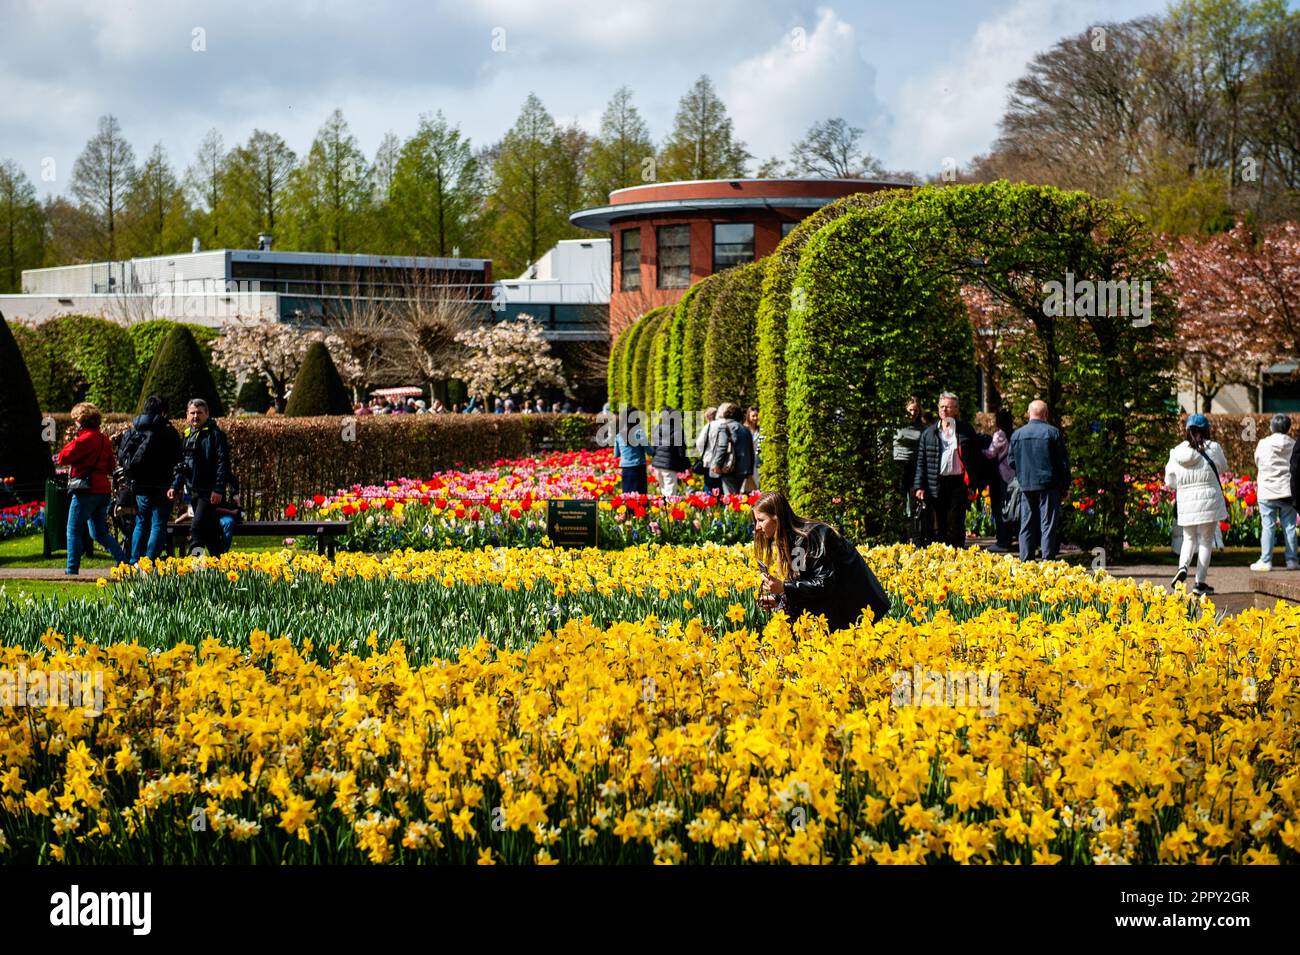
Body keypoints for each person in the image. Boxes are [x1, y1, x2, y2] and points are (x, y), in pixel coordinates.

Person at [753, 491, 891, 631]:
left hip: (853, 611)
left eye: (761, 520)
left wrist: (784, 588)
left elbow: (825, 583)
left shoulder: (811, 536)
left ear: (777, 518)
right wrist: (780, 598)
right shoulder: (793, 539)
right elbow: (805, 580)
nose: (757, 527)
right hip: (838, 611)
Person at [56, 402, 128, 575]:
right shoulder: (103, 438)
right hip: (103, 490)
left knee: (73, 531)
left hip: (85, 490)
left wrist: (75, 438)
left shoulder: (84, 439)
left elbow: (62, 457)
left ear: (81, 420)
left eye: (75, 420)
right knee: (99, 533)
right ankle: (123, 562)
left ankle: (72, 569)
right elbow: (111, 464)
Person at [1164, 413, 1228, 596]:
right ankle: (1199, 583)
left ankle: (1183, 567)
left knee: (1189, 538)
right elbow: (1223, 467)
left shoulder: (1176, 452)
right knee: (1206, 541)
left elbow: (1169, 481)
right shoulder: (1214, 448)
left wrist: (1183, 486)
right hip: (1209, 501)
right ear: (1207, 430)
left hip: (1186, 503)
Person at [118, 394, 183, 563]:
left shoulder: (134, 429)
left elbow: (122, 456)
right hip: (163, 485)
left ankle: (134, 560)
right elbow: (179, 458)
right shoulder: (168, 431)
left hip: (140, 485)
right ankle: (150, 560)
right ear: (163, 412)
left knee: (140, 523)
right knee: (158, 524)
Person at [913, 392, 978, 548]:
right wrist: (919, 486)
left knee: (955, 524)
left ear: (956, 409)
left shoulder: (966, 431)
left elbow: (975, 459)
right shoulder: (928, 433)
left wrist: (973, 484)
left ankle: (957, 558)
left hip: (958, 483)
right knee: (937, 525)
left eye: (948, 407)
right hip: (936, 483)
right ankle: (940, 559)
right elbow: (921, 461)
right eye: (942, 407)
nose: (944, 410)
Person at [169, 398, 230, 557]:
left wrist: (218, 489)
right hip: (193, 491)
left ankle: (196, 566)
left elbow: (222, 464)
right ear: (187, 415)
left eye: (199, 413)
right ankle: (221, 564)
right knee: (209, 532)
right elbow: (183, 464)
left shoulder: (216, 435)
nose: (195, 416)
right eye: (192, 413)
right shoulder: (188, 434)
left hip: (209, 493)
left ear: (207, 414)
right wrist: (175, 485)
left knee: (196, 528)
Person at [1252, 414, 1298, 572]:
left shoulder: (1263, 444)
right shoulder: (1293, 444)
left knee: (1268, 526)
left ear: (1272, 427)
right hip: (1287, 490)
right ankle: (1292, 560)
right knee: (1290, 527)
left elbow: (1257, 461)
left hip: (1267, 491)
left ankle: (1266, 561)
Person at [892, 396, 927, 544]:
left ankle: (916, 537)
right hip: (899, 465)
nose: (913, 413)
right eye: (910, 410)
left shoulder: (922, 428)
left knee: (914, 504)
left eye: (916, 410)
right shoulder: (897, 426)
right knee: (899, 503)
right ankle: (901, 537)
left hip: (914, 466)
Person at [983, 409, 1017, 553]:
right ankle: (1011, 536)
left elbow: (991, 454)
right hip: (1013, 475)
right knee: (1011, 506)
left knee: (999, 507)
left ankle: (1003, 540)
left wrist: (978, 450)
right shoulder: (1014, 434)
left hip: (1001, 475)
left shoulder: (999, 434)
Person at [705, 402, 754, 496]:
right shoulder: (745, 429)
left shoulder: (725, 427)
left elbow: (722, 446)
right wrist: (749, 470)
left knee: (730, 497)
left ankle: (732, 511)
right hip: (743, 469)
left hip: (729, 468)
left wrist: (717, 464)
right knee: (736, 495)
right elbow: (750, 450)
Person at [650, 407, 690, 497]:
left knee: (663, 490)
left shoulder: (657, 428)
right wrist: (687, 465)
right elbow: (681, 451)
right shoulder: (677, 430)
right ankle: (668, 510)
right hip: (669, 465)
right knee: (671, 493)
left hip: (657, 464)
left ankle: (663, 509)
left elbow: (654, 447)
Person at [613, 406, 649, 494]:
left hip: (626, 469)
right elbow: (649, 451)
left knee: (628, 498)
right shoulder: (639, 433)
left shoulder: (619, 435)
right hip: (639, 468)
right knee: (640, 498)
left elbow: (616, 454)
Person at [695, 407, 721, 496]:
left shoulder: (708, 427)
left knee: (709, 486)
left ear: (709, 417)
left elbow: (699, 443)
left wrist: (703, 452)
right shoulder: (723, 425)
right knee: (719, 486)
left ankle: (709, 506)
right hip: (722, 462)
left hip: (709, 461)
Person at [743, 406, 762, 492]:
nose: (755, 418)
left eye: (757, 416)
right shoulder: (744, 429)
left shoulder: (760, 430)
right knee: (745, 486)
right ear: (748, 416)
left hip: (758, 459)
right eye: (753, 416)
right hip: (747, 460)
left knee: (757, 484)